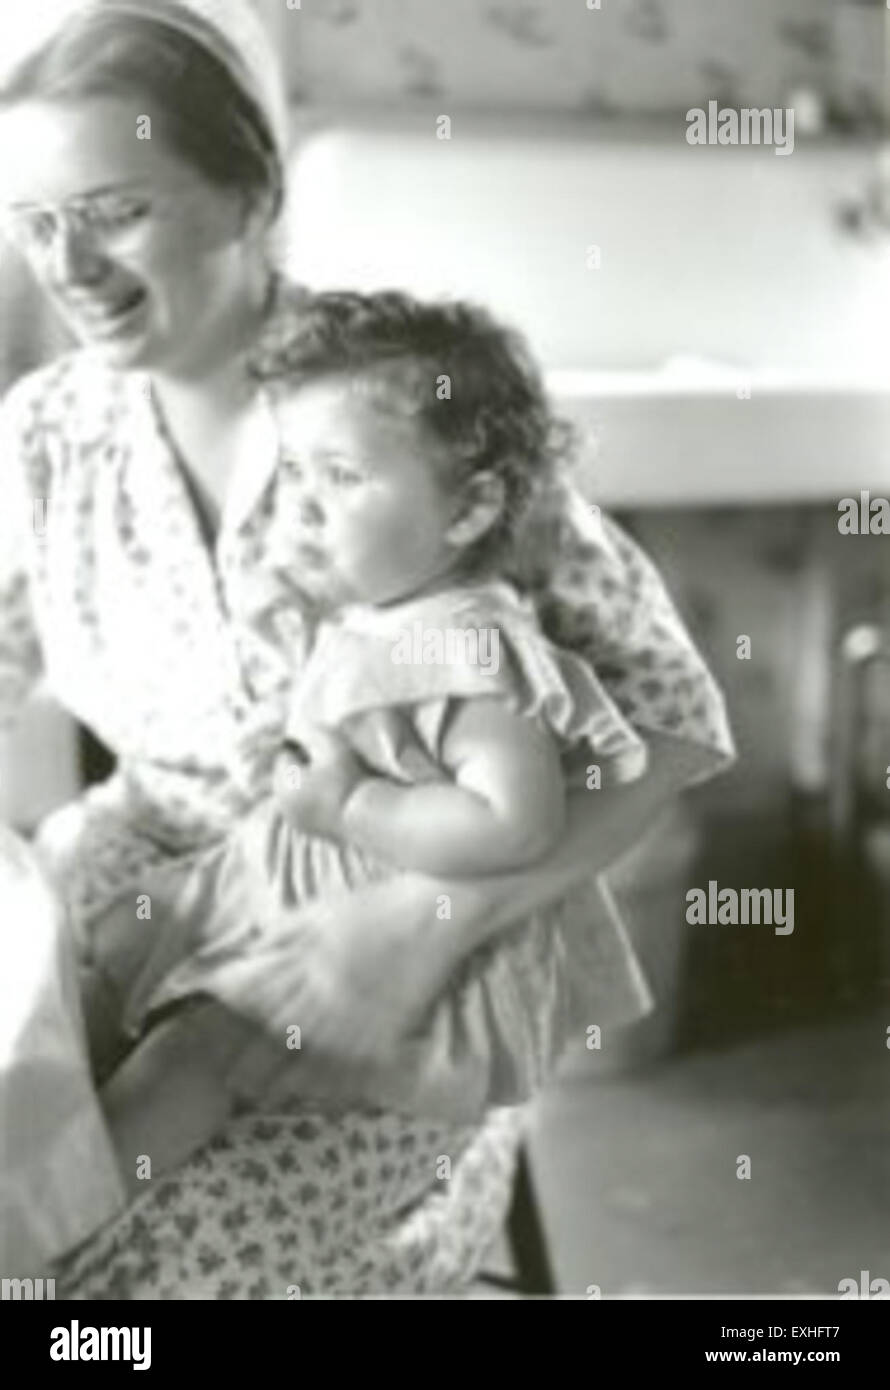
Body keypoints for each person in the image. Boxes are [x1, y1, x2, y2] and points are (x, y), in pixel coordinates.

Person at [0, 0, 734, 1298]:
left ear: (249, 193)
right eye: (31, 219)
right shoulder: (47, 427)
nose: (68, 266)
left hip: (396, 952)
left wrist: (411, 923)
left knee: (129, 1262)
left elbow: (667, 713)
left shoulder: (404, 400)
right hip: (146, 894)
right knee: (21, 1186)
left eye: (115, 210)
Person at [82, 288, 657, 1175]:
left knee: (193, 1054)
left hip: (387, 928)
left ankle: (42, 1237)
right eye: (296, 475)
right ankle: (42, 1154)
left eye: (341, 479)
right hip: (282, 876)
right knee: (103, 956)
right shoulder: (387, 609)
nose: (304, 508)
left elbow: (518, 824)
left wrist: (352, 803)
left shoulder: (469, 649)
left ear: (466, 512)